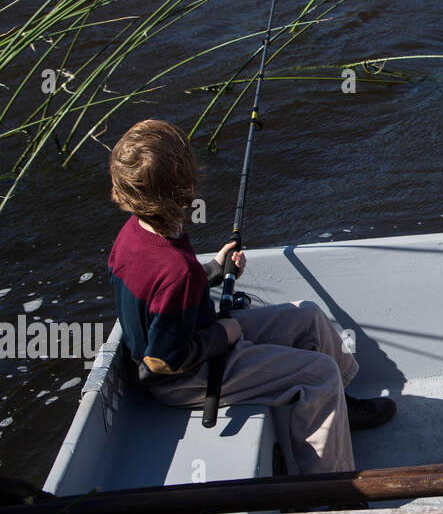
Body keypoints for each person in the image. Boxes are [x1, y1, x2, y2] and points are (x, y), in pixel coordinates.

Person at [106, 119, 395, 474]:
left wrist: (212, 269)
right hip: (186, 378)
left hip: (198, 335)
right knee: (318, 373)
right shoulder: (175, 268)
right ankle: (330, 487)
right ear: (182, 183)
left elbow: (161, 293)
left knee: (308, 316)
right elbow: (160, 363)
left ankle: (343, 409)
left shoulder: (134, 233)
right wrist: (223, 335)